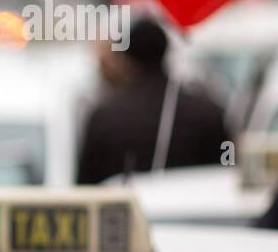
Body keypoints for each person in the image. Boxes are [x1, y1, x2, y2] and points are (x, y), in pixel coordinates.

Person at [77, 18, 230, 184]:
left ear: (127, 59)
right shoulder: (207, 112)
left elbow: (85, 187)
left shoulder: (103, 118)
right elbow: (227, 167)